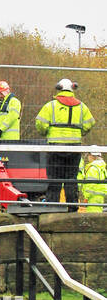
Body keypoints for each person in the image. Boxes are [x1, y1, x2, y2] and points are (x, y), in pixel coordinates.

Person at [35, 78, 95, 209]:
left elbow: (40, 123)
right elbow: (90, 123)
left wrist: (46, 132)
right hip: (74, 149)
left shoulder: (50, 106)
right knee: (71, 180)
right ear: (73, 89)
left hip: (55, 148)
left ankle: (52, 210)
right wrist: (81, 132)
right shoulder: (82, 107)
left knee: (54, 180)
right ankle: (72, 209)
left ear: (59, 88)